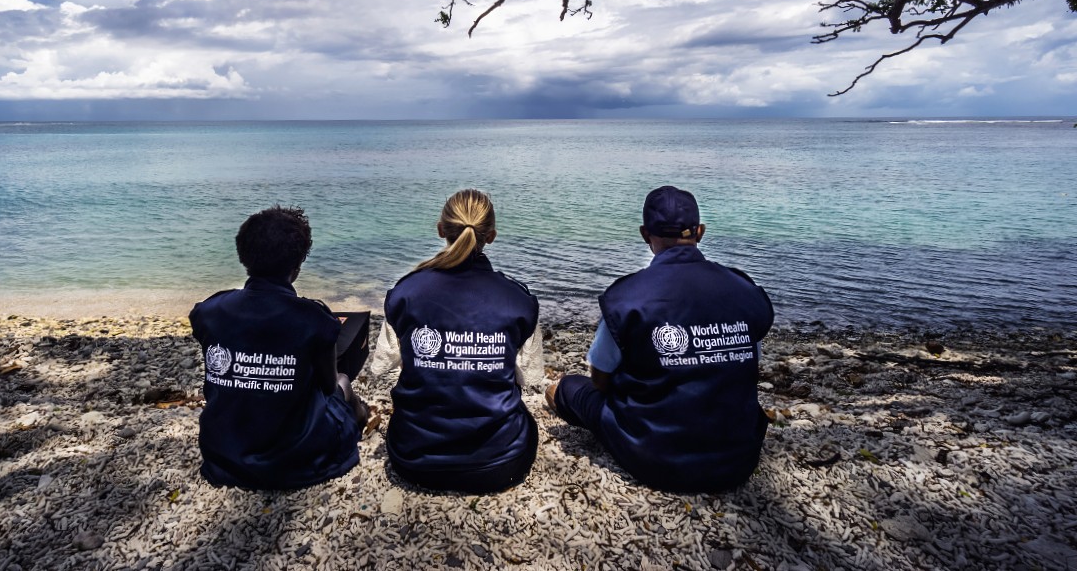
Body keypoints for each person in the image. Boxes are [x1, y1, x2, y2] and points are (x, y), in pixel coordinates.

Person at [547, 186, 774, 493]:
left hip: (656, 458)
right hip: (736, 458)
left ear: (645, 234)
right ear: (700, 232)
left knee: (566, 388)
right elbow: (750, 366)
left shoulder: (627, 298)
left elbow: (600, 380)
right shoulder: (743, 290)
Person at [190, 206, 369, 490]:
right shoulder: (314, 318)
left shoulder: (209, 311)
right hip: (295, 461)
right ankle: (359, 420)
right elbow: (326, 386)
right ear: (296, 267)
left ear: (243, 257)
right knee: (342, 381)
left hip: (224, 454)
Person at [384, 189, 539, 494]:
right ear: (491, 236)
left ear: (441, 230)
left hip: (415, 458)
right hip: (500, 464)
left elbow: (384, 363)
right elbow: (529, 375)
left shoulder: (405, 294)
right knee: (525, 420)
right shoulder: (518, 300)